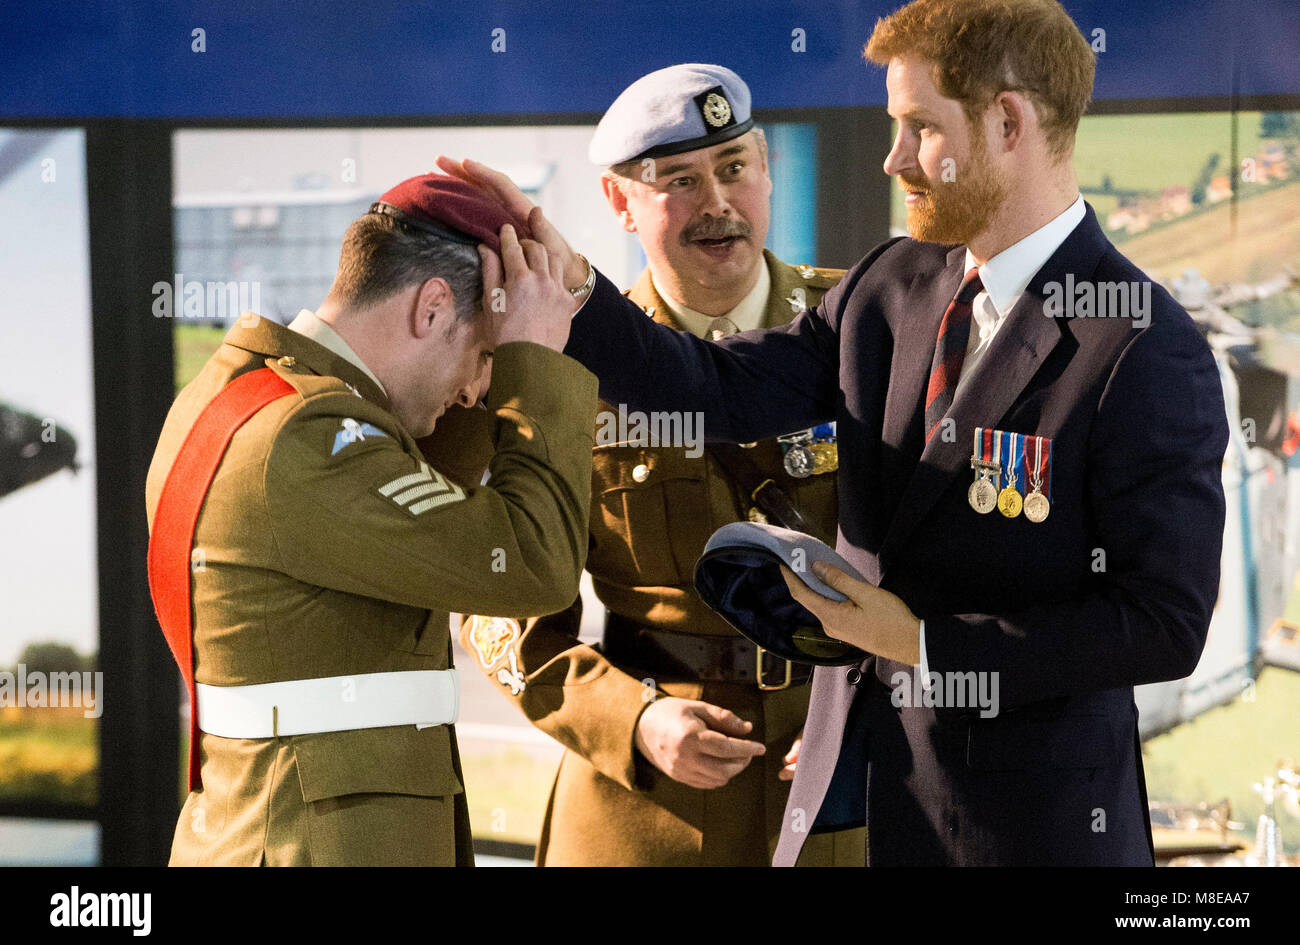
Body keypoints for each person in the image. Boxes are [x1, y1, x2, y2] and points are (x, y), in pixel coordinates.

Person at [441, 0, 1230, 865]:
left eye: (918, 128)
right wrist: (567, 278)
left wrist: (917, 640)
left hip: (1028, 832)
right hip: (864, 812)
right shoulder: (892, 286)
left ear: (1008, 123)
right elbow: (715, 385)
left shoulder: (1143, 348)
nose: (894, 160)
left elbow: (1161, 622)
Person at [427, 64, 863, 866]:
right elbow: (496, 602)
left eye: (735, 168)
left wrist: (873, 715)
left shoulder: (868, 333)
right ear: (619, 202)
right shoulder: (560, 367)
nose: (718, 203)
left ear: (766, 168)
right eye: (679, 182)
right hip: (646, 809)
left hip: (840, 786)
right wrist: (632, 720)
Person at [144, 173, 598, 865]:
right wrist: (532, 364)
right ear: (432, 306)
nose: (480, 388)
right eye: (486, 357)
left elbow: (433, 490)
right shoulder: (308, 435)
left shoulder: (248, 396)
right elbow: (532, 563)